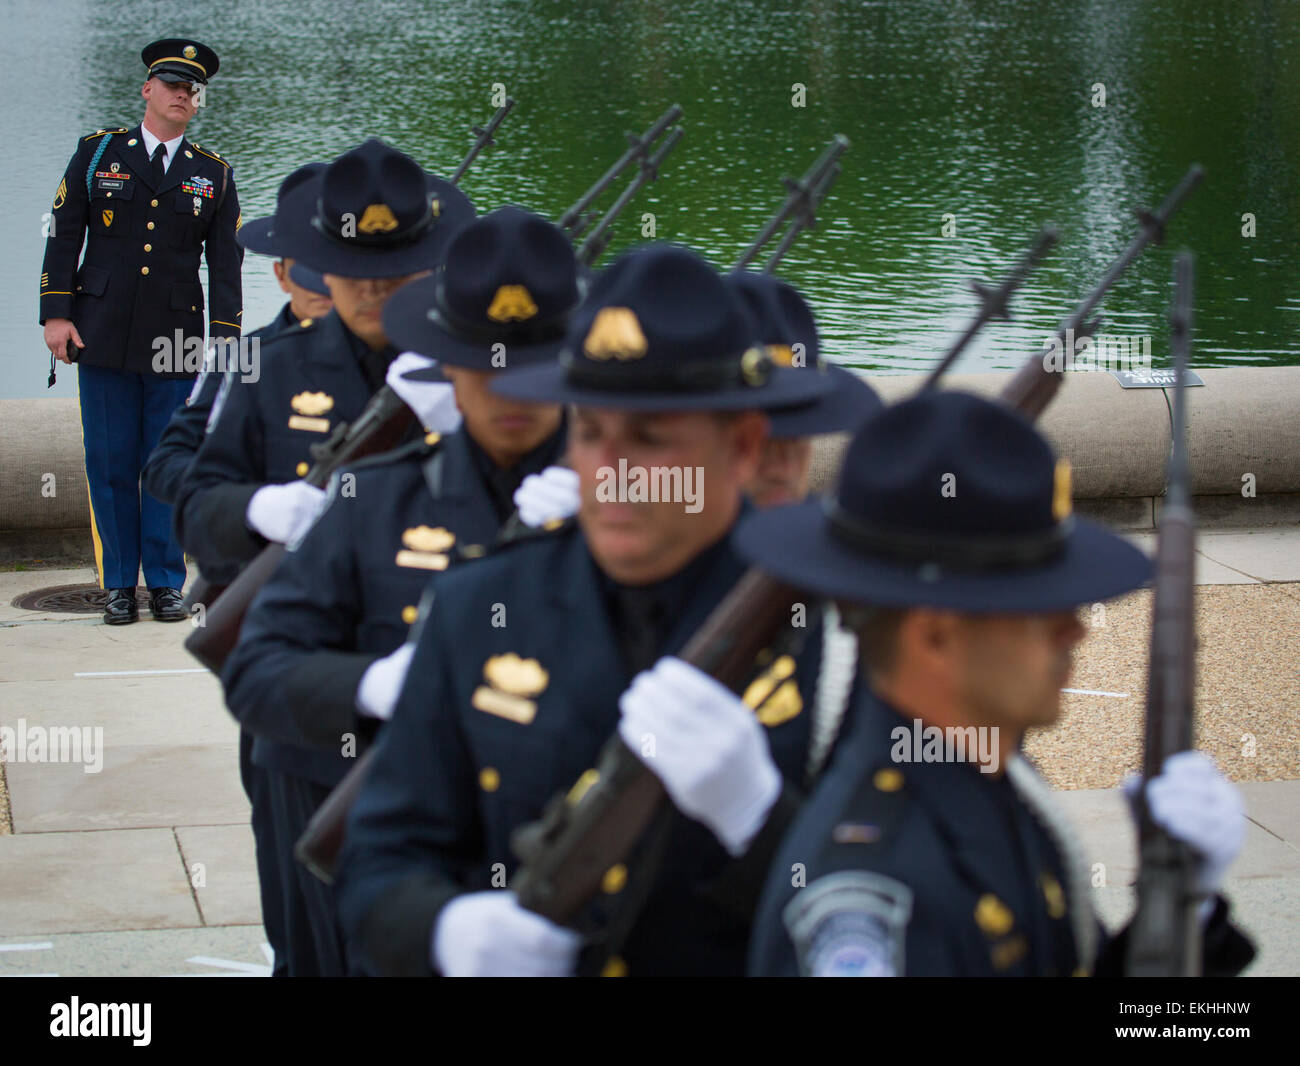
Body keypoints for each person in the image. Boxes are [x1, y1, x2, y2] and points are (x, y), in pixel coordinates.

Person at [335, 243, 840, 977]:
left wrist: (764, 824)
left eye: (650, 439)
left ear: (742, 444)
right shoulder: (479, 603)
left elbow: (908, 908)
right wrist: (443, 930)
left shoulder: (838, 626)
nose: (613, 472)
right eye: (592, 432)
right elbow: (380, 860)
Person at [740, 390, 1255, 976]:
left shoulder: (990, 778)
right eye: (1035, 606)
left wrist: (1188, 914)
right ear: (934, 635)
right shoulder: (877, 898)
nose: (1075, 630)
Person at [220, 206, 578, 975]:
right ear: (447, 361)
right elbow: (257, 672)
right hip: (404, 848)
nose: (510, 389)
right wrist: (382, 684)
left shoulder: (622, 517)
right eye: (486, 364)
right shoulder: (375, 500)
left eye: (533, 364)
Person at [175, 138, 474, 579]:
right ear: (325, 267)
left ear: (426, 268)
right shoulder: (268, 366)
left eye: (392, 272)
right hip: (300, 616)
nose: (373, 289)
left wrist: (466, 435)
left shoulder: (470, 369)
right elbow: (194, 511)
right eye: (356, 272)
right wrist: (257, 509)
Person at [39, 38, 242, 625]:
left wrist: (224, 336)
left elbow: (226, 264)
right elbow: (63, 236)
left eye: (193, 89)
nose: (183, 94)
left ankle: (167, 582)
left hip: (176, 339)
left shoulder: (214, 174)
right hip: (98, 331)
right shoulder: (97, 153)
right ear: (147, 89)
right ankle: (118, 586)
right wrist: (57, 313)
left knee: (166, 460)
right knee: (109, 460)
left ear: (198, 104)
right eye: (173, 83)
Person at [142, 163, 333, 521]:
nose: (321, 283)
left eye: (332, 264)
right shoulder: (242, 360)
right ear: (281, 275)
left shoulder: (392, 362)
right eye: (306, 267)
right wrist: (253, 501)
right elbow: (165, 465)